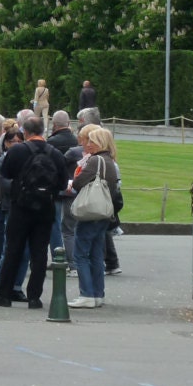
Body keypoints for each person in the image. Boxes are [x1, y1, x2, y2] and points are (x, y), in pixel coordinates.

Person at [0, 117, 66, 310]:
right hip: (46, 206)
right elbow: (63, 183)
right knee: (39, 253)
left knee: (13, 249)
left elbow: (5, 174)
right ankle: (34, 296)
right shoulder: (55, 153)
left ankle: (4, 293)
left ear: (26, 132)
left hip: (21, 206)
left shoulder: (17, 151)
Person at [67, 126, 119, 308]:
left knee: (80, 254)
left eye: (91, 140)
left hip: (91, 212)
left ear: (99, 143)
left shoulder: (95, 160)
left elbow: (79, 183)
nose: (87, 144)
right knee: (96, 254)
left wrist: (74, 179)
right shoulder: (109, 161)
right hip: (104, 212)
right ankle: (97, 293)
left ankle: (87, 293)